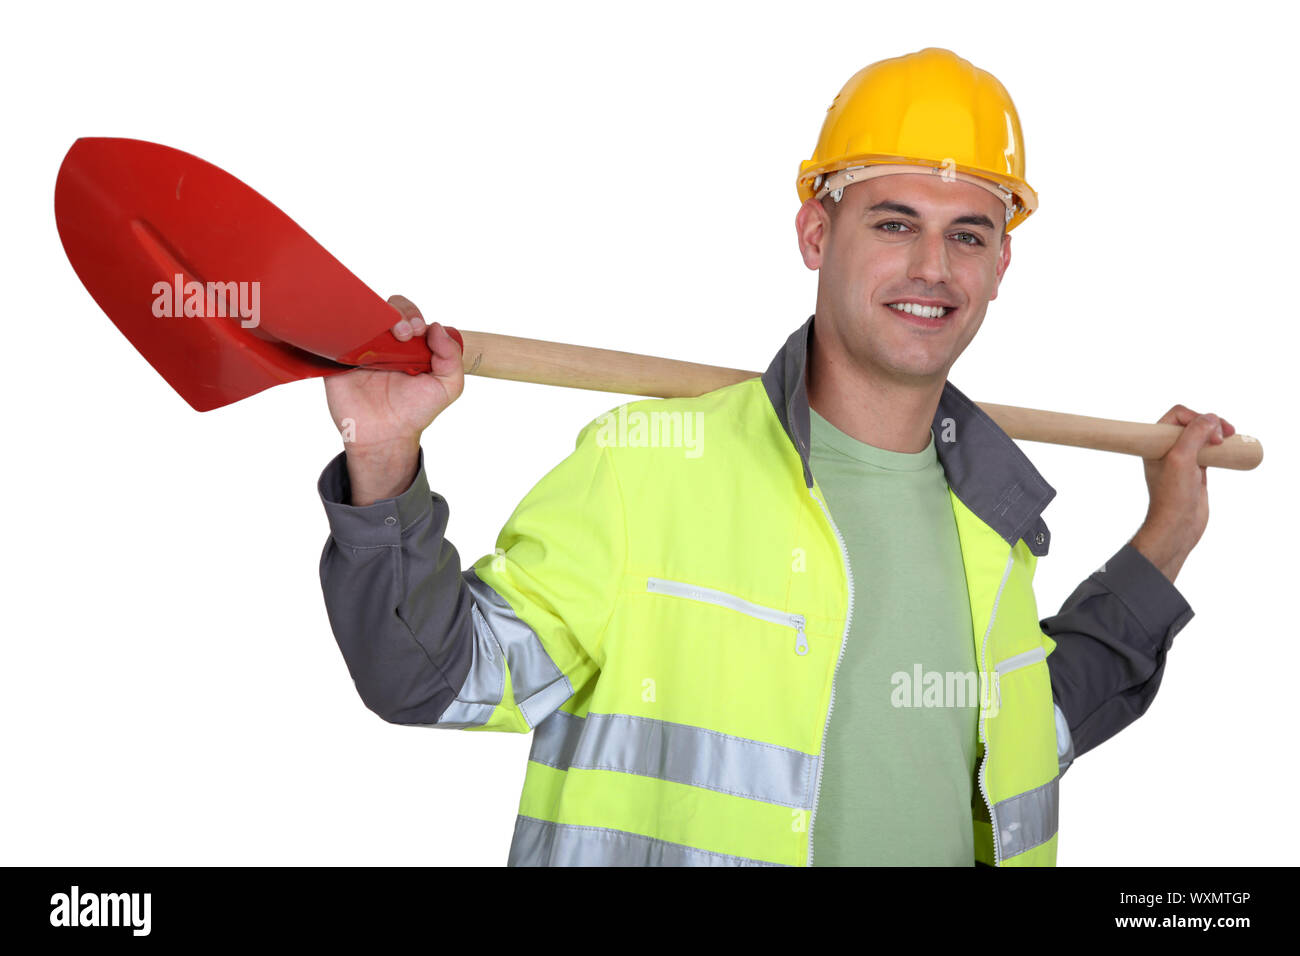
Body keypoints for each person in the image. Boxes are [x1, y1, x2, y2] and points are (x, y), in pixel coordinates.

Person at [316, 47, 1232, 866]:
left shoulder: (992, 523)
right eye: (893, 222)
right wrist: (384, 454)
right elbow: (429, 676)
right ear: (815, 235)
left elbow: (1036, 726)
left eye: (968, 234)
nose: (933, 268)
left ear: (1000, 269)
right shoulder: (649, 469)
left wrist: (1169, 537)